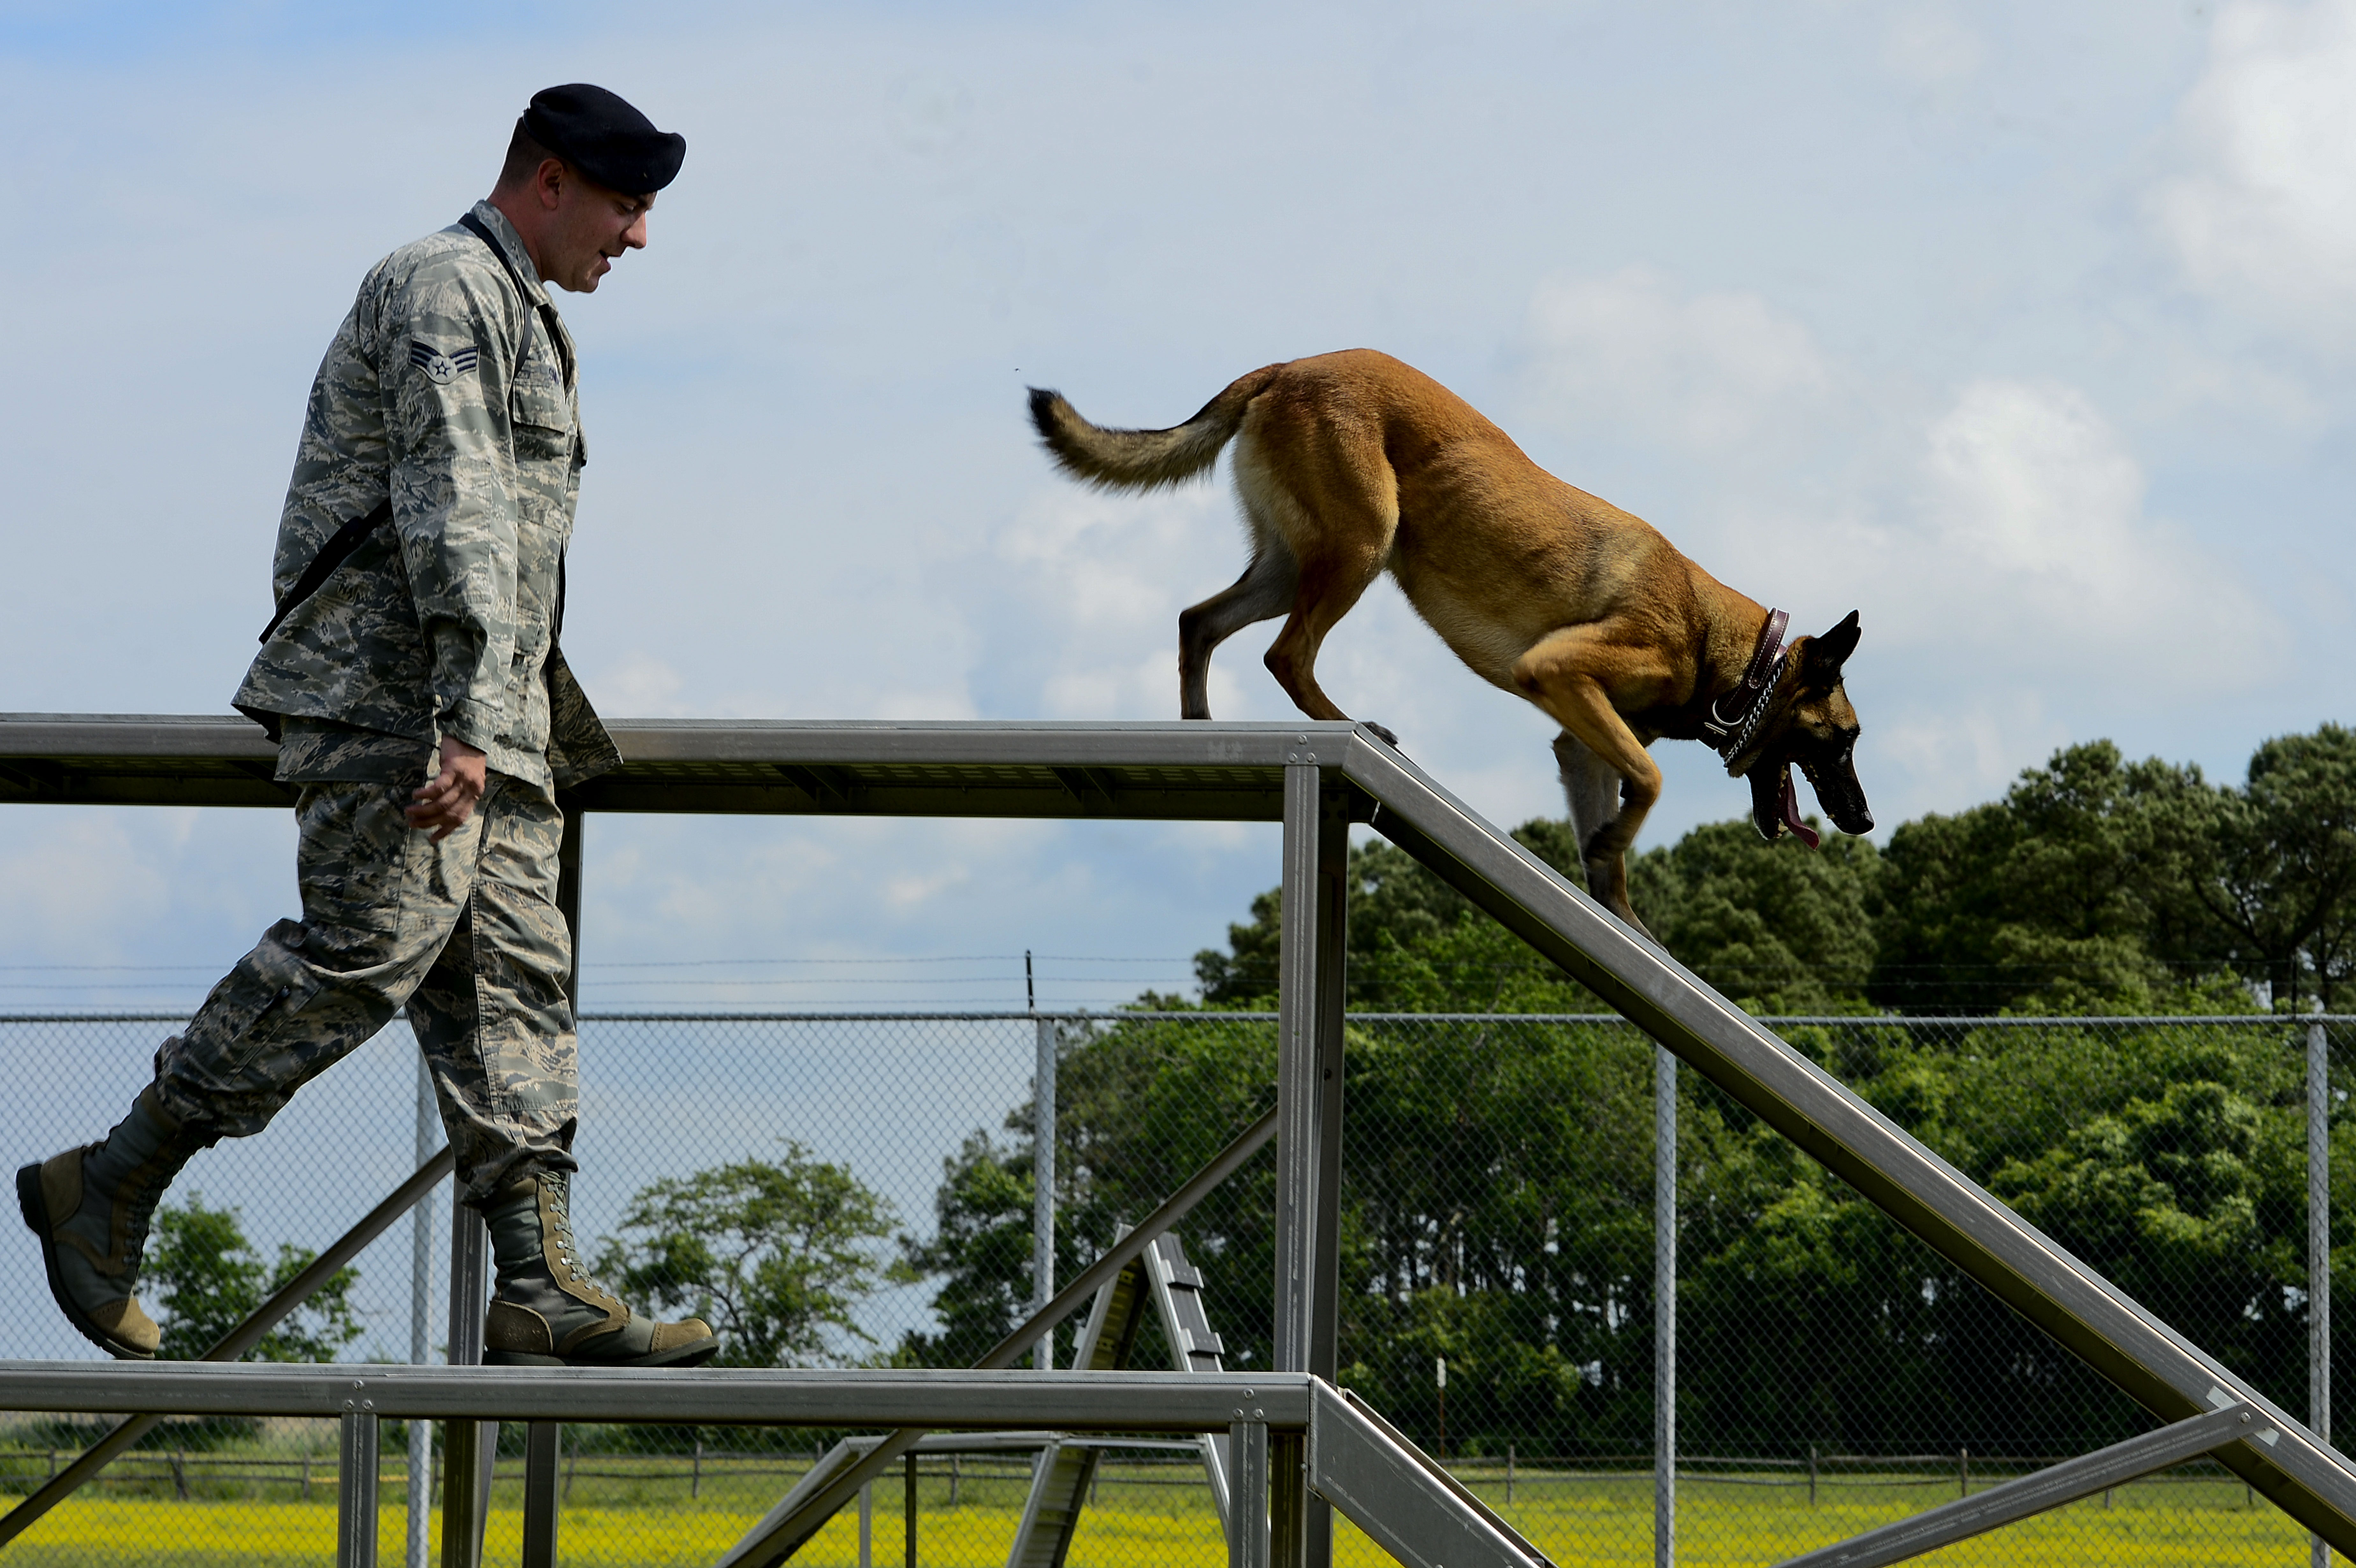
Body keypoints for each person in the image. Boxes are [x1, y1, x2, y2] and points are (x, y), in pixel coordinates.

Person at [17, 84, 716, 1369]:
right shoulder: (444, 284)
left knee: (517, 981)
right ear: (548, 181)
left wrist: (499, 714)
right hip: (396, 706)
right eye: (626, 206)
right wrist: (458, 710)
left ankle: (541, 1281)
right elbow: (454, 499)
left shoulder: (524, 313)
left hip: (487, 716)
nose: (640, 238)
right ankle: (107, 1182)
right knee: (366, 950)